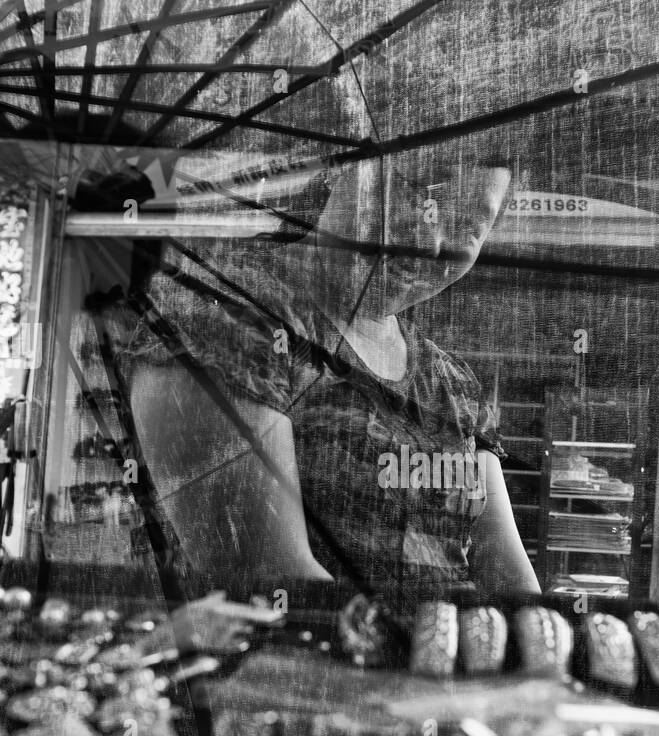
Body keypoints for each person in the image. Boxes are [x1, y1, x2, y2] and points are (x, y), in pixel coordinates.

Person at [111, 156, 540, 609]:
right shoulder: (223, 315)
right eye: (417, 194)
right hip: (283, 665)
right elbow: (269, 575)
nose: (430, 242)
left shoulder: (452, 384)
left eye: (471, 225)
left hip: (447, 663)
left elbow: (508, 578)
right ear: (343, 167)